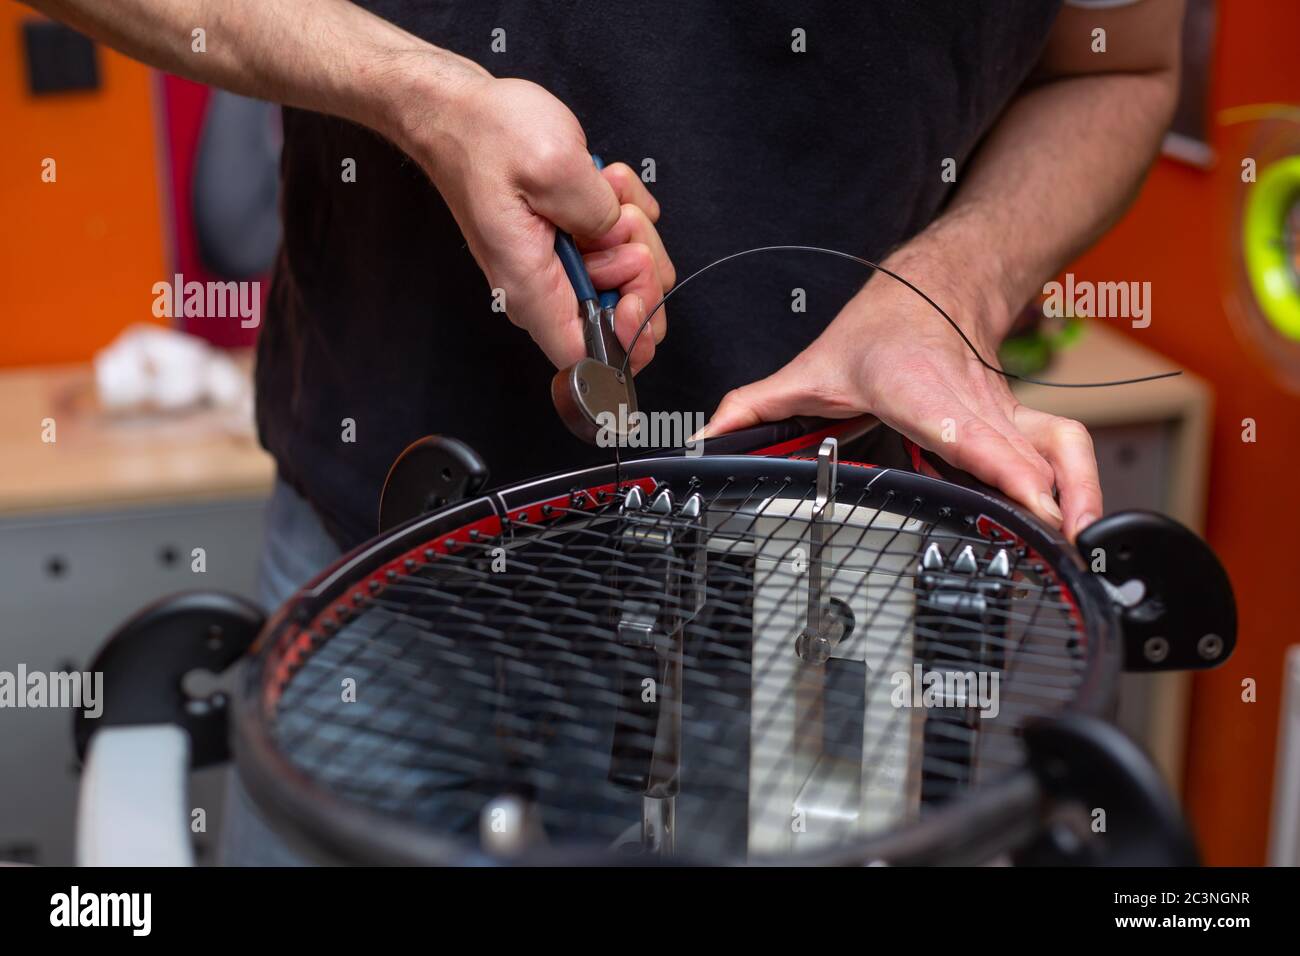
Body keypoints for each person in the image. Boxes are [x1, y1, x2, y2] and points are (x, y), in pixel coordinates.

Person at [33, 0, 1184, 861]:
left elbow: (1121, 64)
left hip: (806, 599)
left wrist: (952, 288)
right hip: (366, 562)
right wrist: (423, 96)